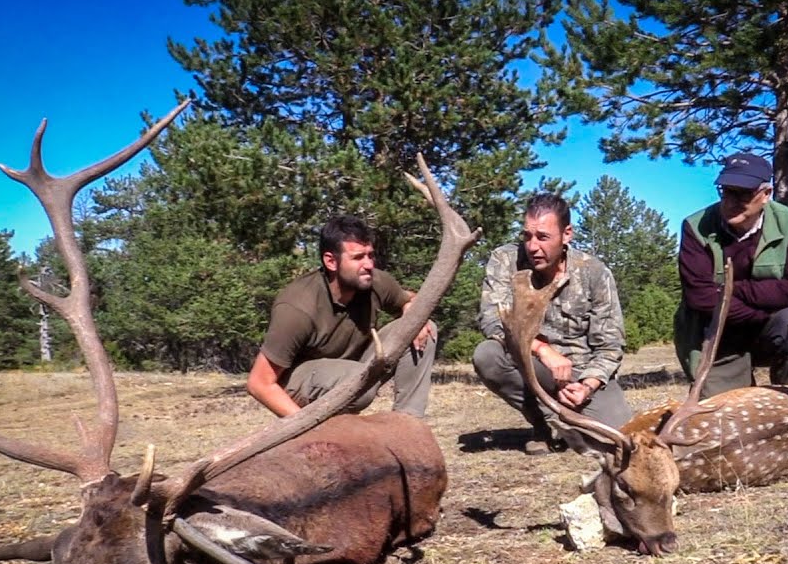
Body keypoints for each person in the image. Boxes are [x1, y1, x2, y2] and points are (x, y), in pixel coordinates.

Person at [473, 193, 633, 455]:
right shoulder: (505, 260)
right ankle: (545, 425)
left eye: (543, 237)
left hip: (581, 374)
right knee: (488, 355)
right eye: (527, 236)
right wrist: (541, 349)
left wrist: (587, 385)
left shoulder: (594, 272)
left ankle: (570, 422)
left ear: (567, 234)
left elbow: (610, 344)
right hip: (533, 365)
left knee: (618, 440)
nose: (533, 247)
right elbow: (492, 319)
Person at [247, 214, 436, 418]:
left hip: (351, 371)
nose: (369, 265)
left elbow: (412, 298)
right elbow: (259, 384)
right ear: (331, 261)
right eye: (357, 257)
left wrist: (410, 308)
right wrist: (305, 427)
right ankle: (332, 430)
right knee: (357, 381)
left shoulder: (374, 281)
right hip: (299, 381)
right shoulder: (297, 306)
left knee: (423, 325)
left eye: (370, 255)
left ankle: (408, 423)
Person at [674, 152, 788, 397]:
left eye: (743, 193)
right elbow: (701, 299)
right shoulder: (695, 226)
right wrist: (763, 308)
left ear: (766, 194)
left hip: (769, 328)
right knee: (721, 414)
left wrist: (731, 290)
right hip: (716, 334)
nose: (732, 200)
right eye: (726, 191)